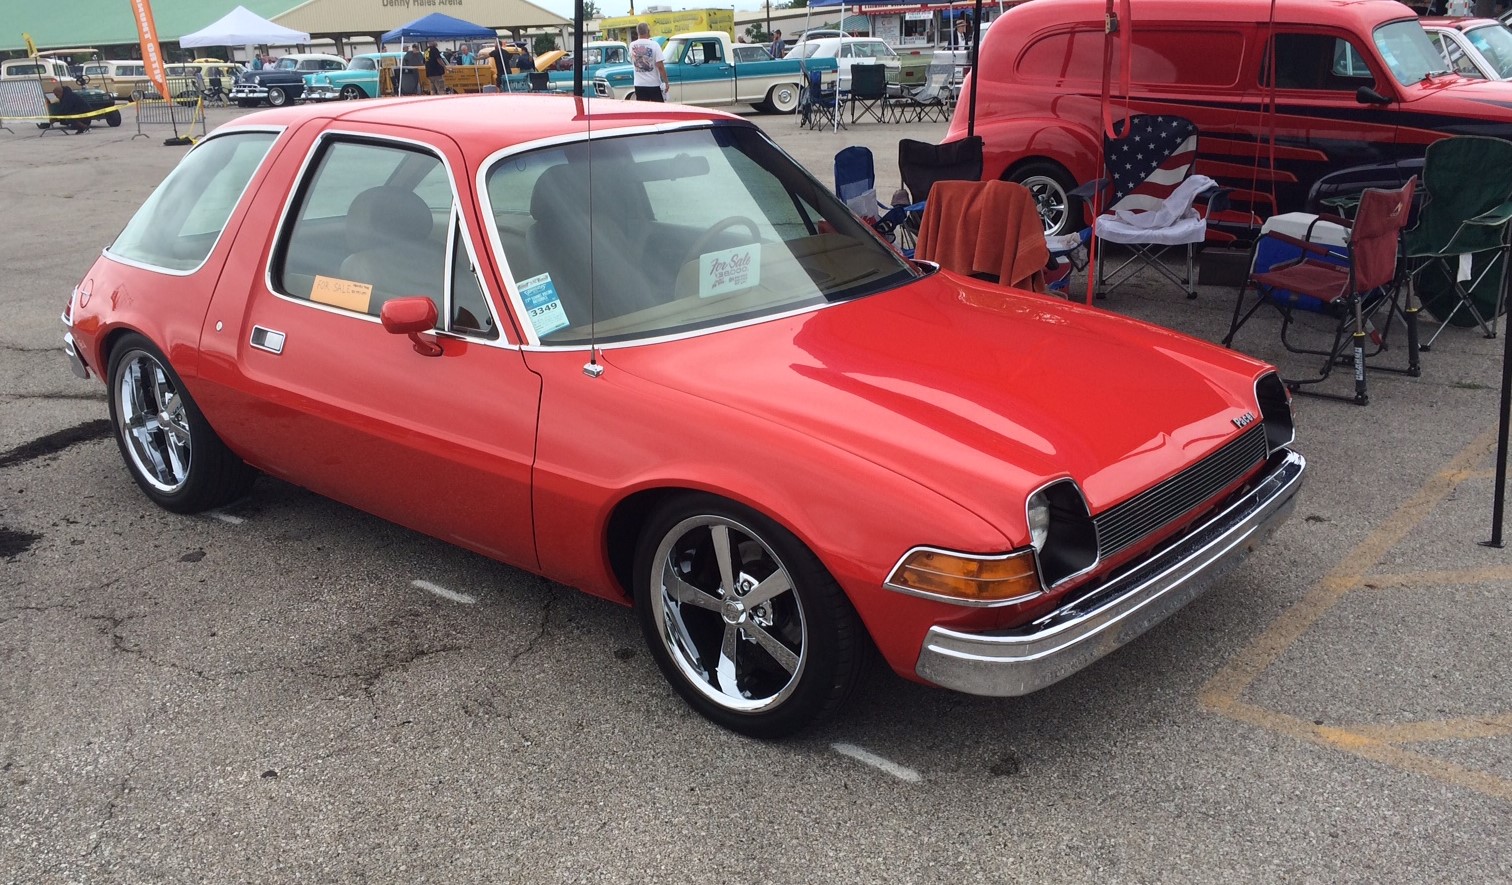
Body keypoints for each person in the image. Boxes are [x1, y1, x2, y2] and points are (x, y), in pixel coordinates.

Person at [630, 22, 668, 101]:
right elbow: (660, 66)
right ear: (648, 31)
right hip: (653, 84)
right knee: (658, 110)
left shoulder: (632, 45)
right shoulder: (655, 45)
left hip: (639, 84)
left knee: (644, 110)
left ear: (638, 32)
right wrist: (666, 82)